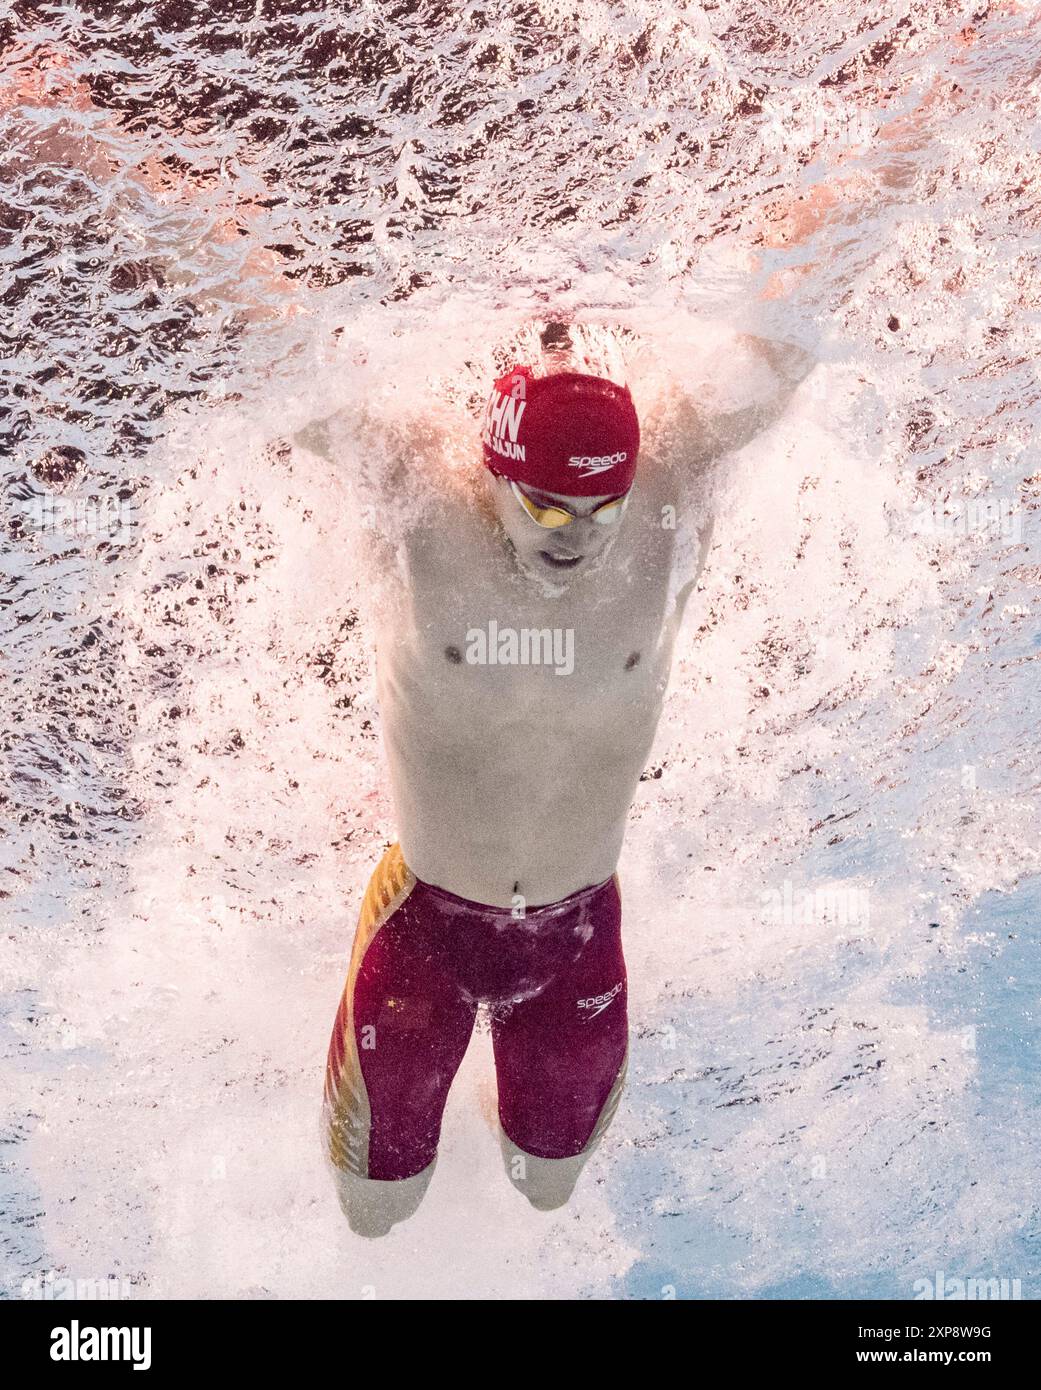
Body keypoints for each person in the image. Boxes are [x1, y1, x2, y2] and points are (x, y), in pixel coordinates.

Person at [305, 322, 814, 1237]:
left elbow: (795, 313)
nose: (576, 535)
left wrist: (902, 169)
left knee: (545, 1190)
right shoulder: (417, 493)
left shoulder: (675, 486)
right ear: (492, 477)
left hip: (576, 938)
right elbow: (279, 347)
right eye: (544, 507)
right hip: (426, 928)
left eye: (599, 507)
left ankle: (490, 1082)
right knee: (373, 1213)